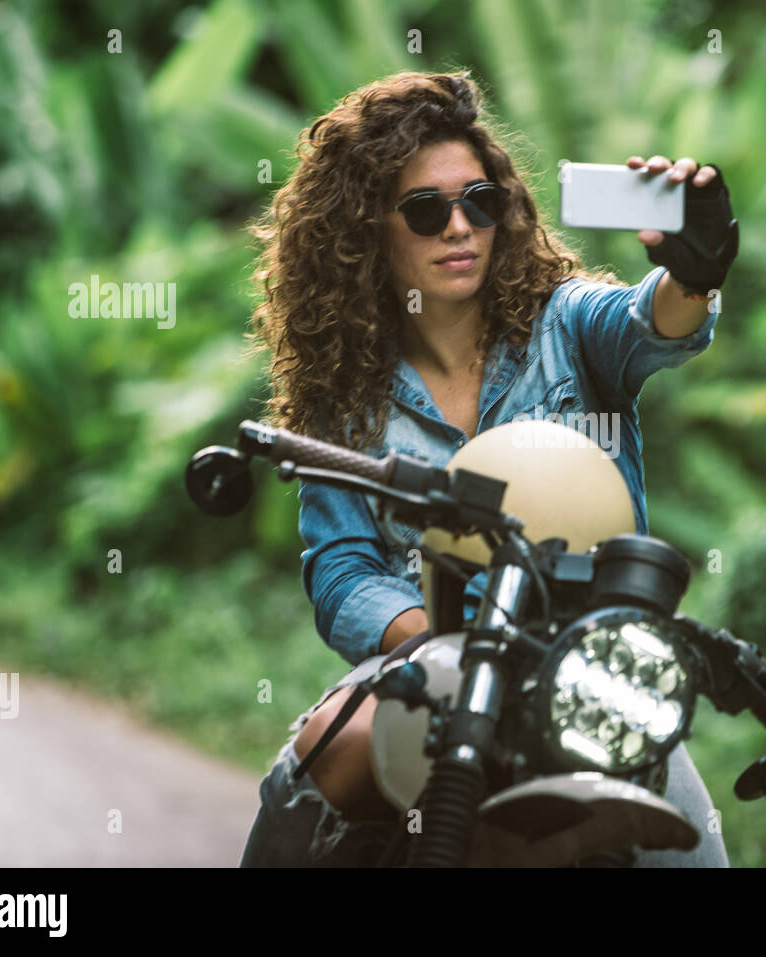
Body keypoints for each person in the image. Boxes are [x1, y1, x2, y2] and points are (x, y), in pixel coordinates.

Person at [238, 69, 739, 867]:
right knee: (312, 771)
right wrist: (450, 645)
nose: (459, 227)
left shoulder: (567, 323)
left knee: (691, 849)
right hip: (434, 674)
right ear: (367, 230)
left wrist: (696, 271)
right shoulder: (343, 396)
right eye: (427, 210)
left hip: (588, 678)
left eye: (481, 201)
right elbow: (343, 568)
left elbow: (653, 323)